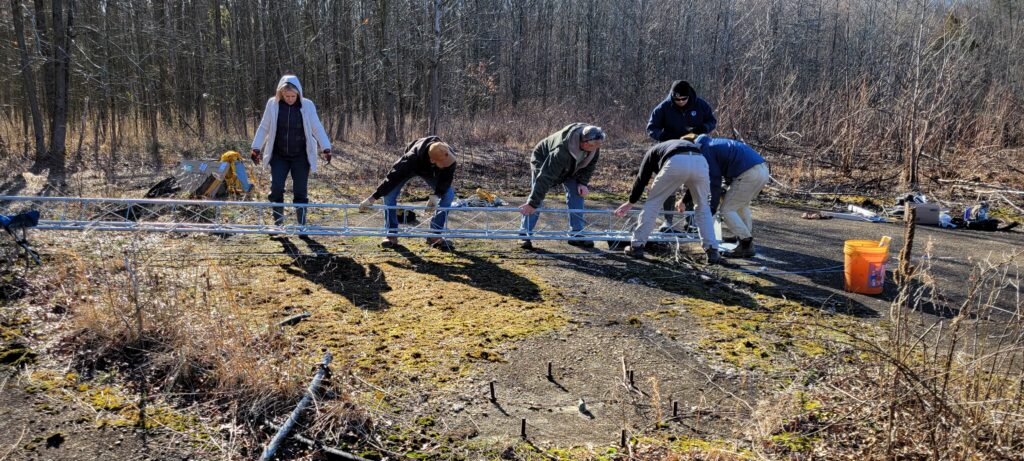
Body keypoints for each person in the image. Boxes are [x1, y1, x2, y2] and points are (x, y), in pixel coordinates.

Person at [614, 138, 720, 262]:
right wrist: (684, 201)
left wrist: (631, 202)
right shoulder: (678, 146)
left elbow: (642, 179)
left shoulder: (652, 152)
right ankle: (712, 250)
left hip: (675, 160)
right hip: (700, 160)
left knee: (653, 203)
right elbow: (692, 177)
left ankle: (636, 246)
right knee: (702, 206)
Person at [251, 75, 332, 225]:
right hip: (279, 155)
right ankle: (278, 224)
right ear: (280, 94)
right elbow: (264, 127)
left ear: (298, 94)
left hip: (300, 155)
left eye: (293, 96)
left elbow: (317, 128)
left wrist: (326, 147)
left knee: (300, 191)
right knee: (276, 189)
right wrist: (256, 148)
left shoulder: (307, 105)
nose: (289, 99)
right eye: (286, 96)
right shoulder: (272, 104)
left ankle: (302, 225)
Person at [358, 137, 457, 250]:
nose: (446, 164)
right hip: (412, 167)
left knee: (448, 195)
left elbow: (447, 178)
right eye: (443, 164)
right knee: (389, 194)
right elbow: (392, 178)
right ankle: (391, 235)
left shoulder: (448, 155)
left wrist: (436, 195)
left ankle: (435, 235)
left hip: (430, 171)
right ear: (432, 160)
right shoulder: (411, 158)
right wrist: (373, 198)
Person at [518, 124, 605, 250]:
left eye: (597, 146)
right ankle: (524, 234)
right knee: (537, 197)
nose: (595, 149)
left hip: (573, 167)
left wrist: (582, 183)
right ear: (583, 141)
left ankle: (576, 234)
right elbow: (545, 177)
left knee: (577, 193)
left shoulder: (594, 145)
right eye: (592, 146)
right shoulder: (561, 150)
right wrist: (532, 203)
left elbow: (589, 166)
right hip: (544, 161)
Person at [646, 80, 717, 233]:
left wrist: (703, 128)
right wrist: (663, 135)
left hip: (694, 149)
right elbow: (651, 128)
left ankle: (691, 222)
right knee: (668, 184)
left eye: (683, 99)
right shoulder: (663, 107)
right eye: (677, 99)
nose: (680, 102)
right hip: (671, 150)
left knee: (692, 184)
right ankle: (668, 221)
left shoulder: (701, 105)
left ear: (689, 95)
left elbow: (712, 121)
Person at [693, 134, 769, 258]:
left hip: (749, 174)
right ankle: (743, 236)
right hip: (763, 171)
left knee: (726, 210)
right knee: (740, 205)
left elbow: (715, 179)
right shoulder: (717, 143)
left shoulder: (706, 150)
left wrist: (713, 205)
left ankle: (746, 242)